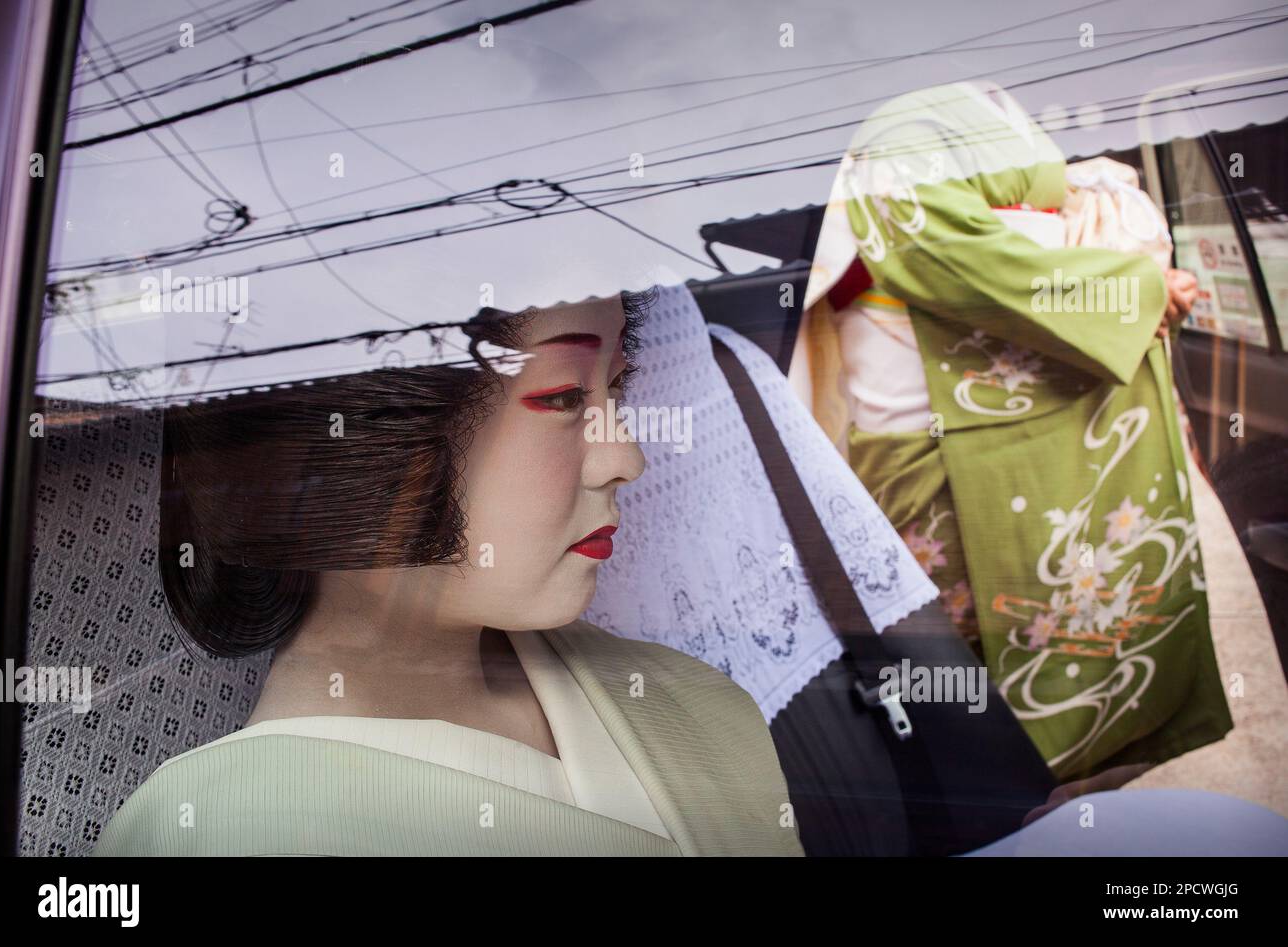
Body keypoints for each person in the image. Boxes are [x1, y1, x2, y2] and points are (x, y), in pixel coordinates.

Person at [93, 292, 803, 856]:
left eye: (616, 384)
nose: (624, 456)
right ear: (373, 432)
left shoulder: (686, 694)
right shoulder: (223, 832)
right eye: (562, 398)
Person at [789, 80, 1231, 781]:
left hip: (1049, 404)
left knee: (1093, 606)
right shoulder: (894, 126)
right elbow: (945, 254)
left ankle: (1089, 777)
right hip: (928, 438)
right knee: (967, 680)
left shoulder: (989, 95)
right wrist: (1133, 289)